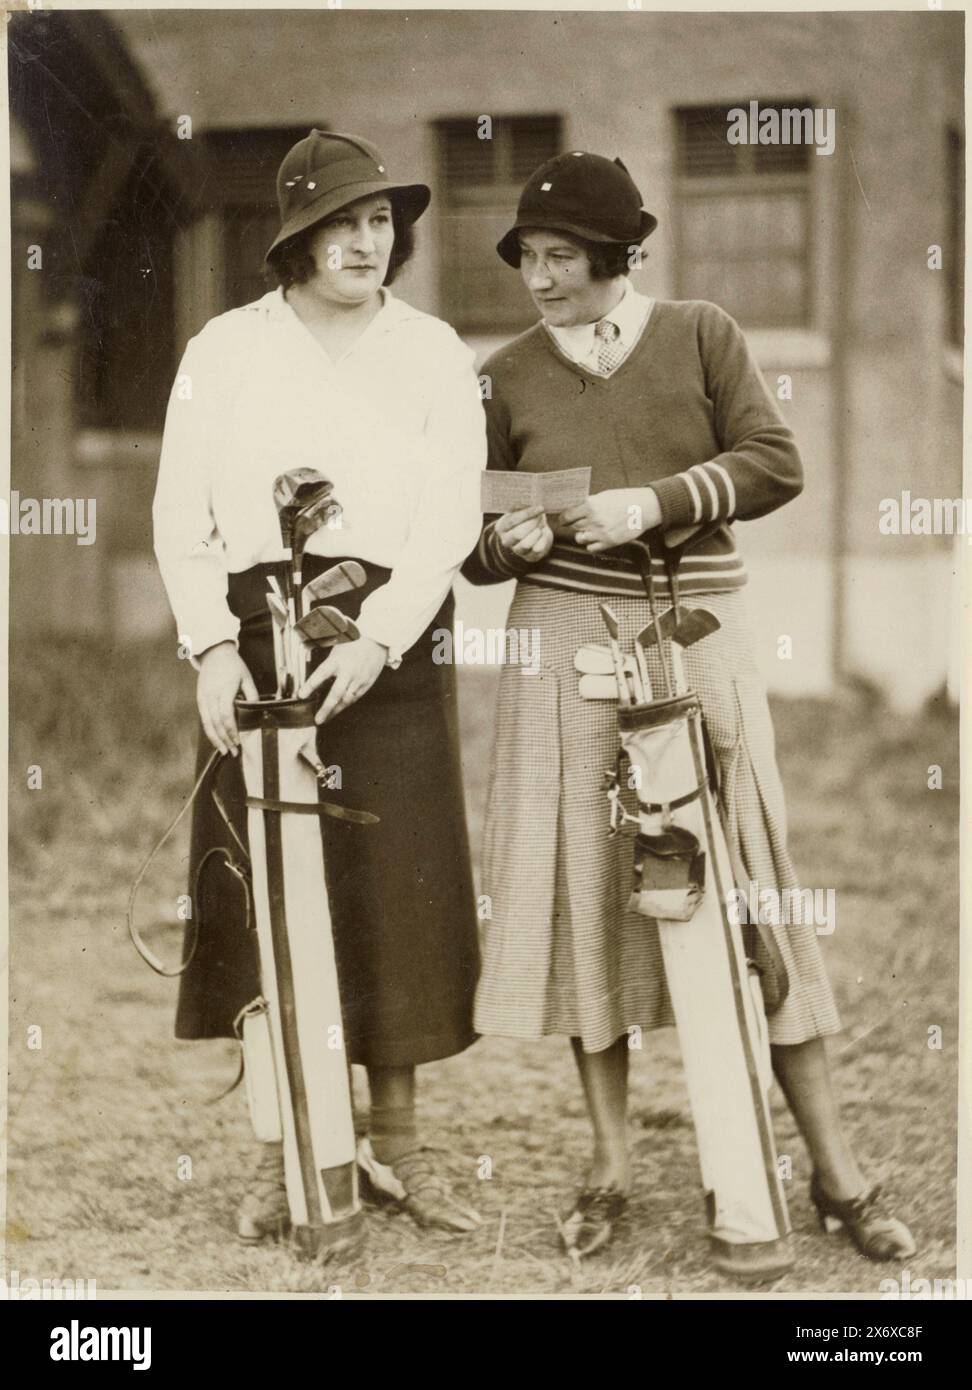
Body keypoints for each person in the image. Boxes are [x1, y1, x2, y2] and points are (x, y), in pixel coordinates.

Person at [462, 150, 916, 1268]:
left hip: (695, 634)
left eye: (564, 257)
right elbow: (473, 538)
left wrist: (652, 503)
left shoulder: (703, 332)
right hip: (560, 643)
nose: (543, 279)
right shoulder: (505, 371)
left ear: (619, 256)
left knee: (752, 889)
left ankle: (834, 1171)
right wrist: (503, 542)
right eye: (530, 258)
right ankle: (612, 1165)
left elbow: (776, 461)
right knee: (588, 885)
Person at [153, 130, 485, 1247]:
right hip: (256, 643)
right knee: (269, 895)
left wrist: (382, 638)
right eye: (342, 222)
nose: (365, 240)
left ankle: (402, 1148)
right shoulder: (225, 348)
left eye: (381, 221)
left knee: (399, 881)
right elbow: (181, 515)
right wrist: (210, 646)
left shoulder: (434, 351)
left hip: (384, 648)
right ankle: (289, 1148)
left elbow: (448, 521)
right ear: (293, 238)